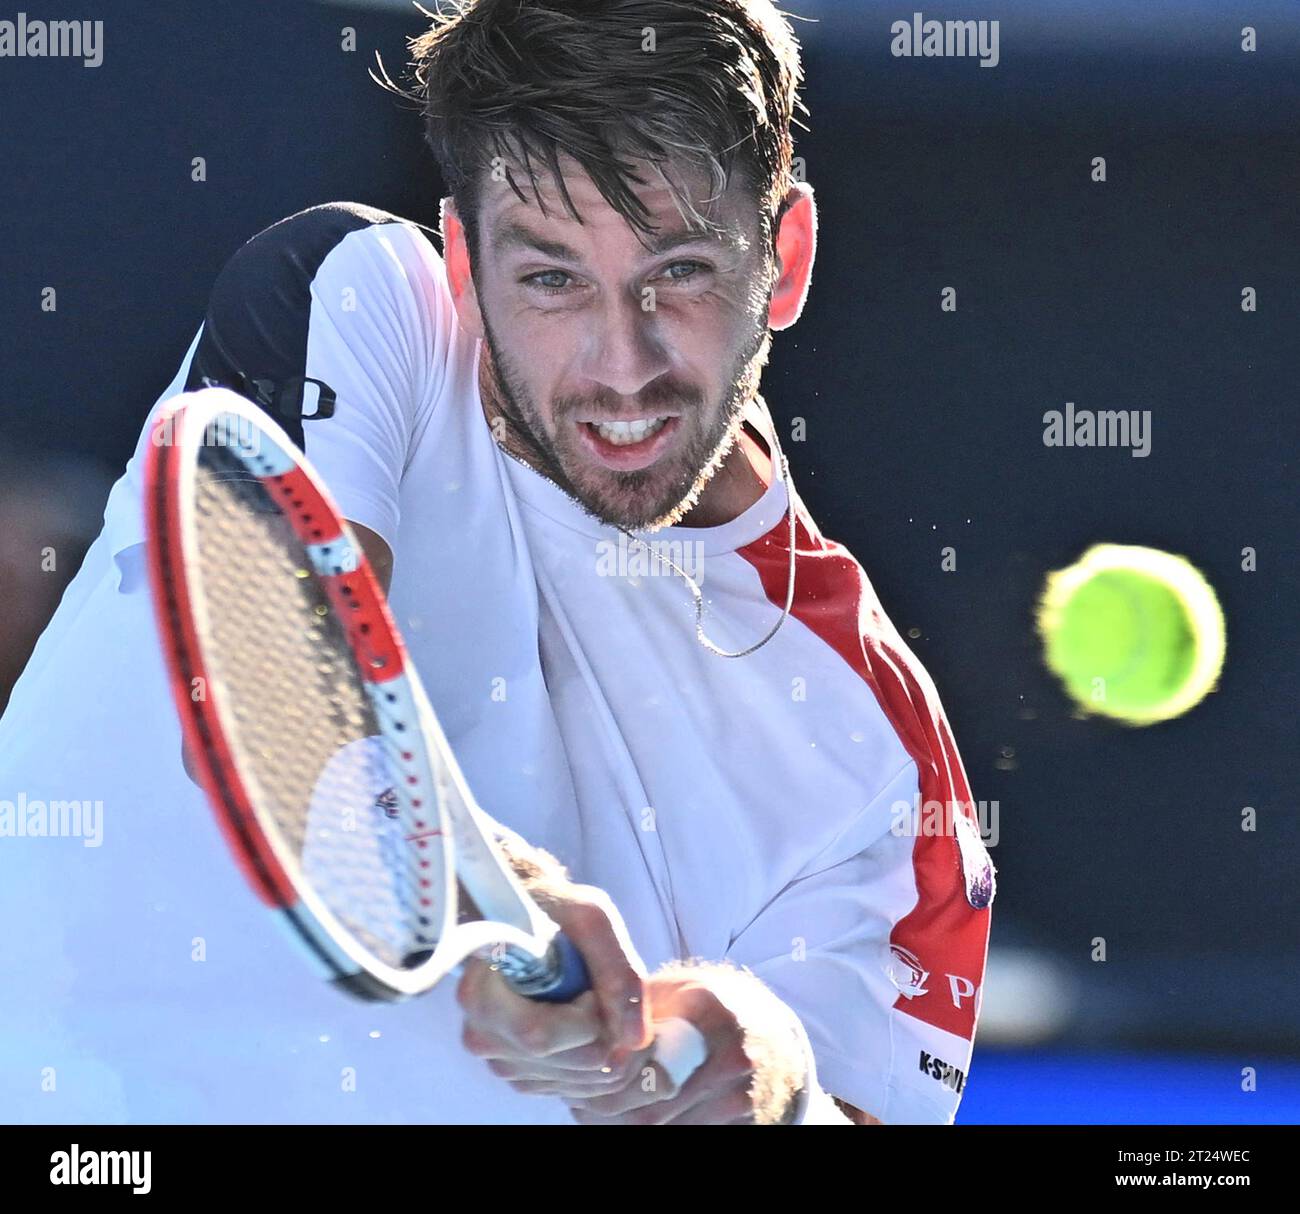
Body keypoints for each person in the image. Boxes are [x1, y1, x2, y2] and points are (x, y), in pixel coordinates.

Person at [0, 0, 992, 1125]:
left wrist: (761, 1071)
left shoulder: (878, 759)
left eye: (679, 271)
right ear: (464, 262)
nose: (623, 367)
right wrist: (513, 896)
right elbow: (279, 702)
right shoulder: (355, 295)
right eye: (552, 278)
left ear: (787, 258)